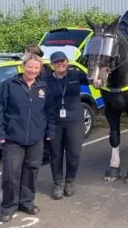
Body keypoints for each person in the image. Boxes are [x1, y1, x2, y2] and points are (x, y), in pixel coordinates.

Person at [0, 54, 56, 223]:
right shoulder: (8, 85)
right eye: (30, 67)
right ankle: (8, 207)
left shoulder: (43, 87)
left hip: (36, 139)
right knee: (11, 175)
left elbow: (49, 112)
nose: (33, 70)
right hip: (13, 139)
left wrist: (50, 131)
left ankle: (26, 202)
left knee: (31, 172)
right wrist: (0, 133)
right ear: (23, 66)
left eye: (36, 68)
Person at [44, 51, 88, 200]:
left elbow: (95, 79)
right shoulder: (46, 79)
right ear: (52, 65)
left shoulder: (76, 75)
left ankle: (69, 181)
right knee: (55, 154)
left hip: (75, 120)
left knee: (74, 153)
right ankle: (58, 184)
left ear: (67, 62)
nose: (60, 64)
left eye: (62, 61)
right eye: (56, 62)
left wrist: (98, 80)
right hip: (54, 122)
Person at [23, 44, 51, 166]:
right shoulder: (45, 67)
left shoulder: (41, 69)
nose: (23, 54)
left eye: (25, 52)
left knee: (41, 130)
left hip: (40, 102)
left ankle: (44, 156)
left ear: (31, 54)